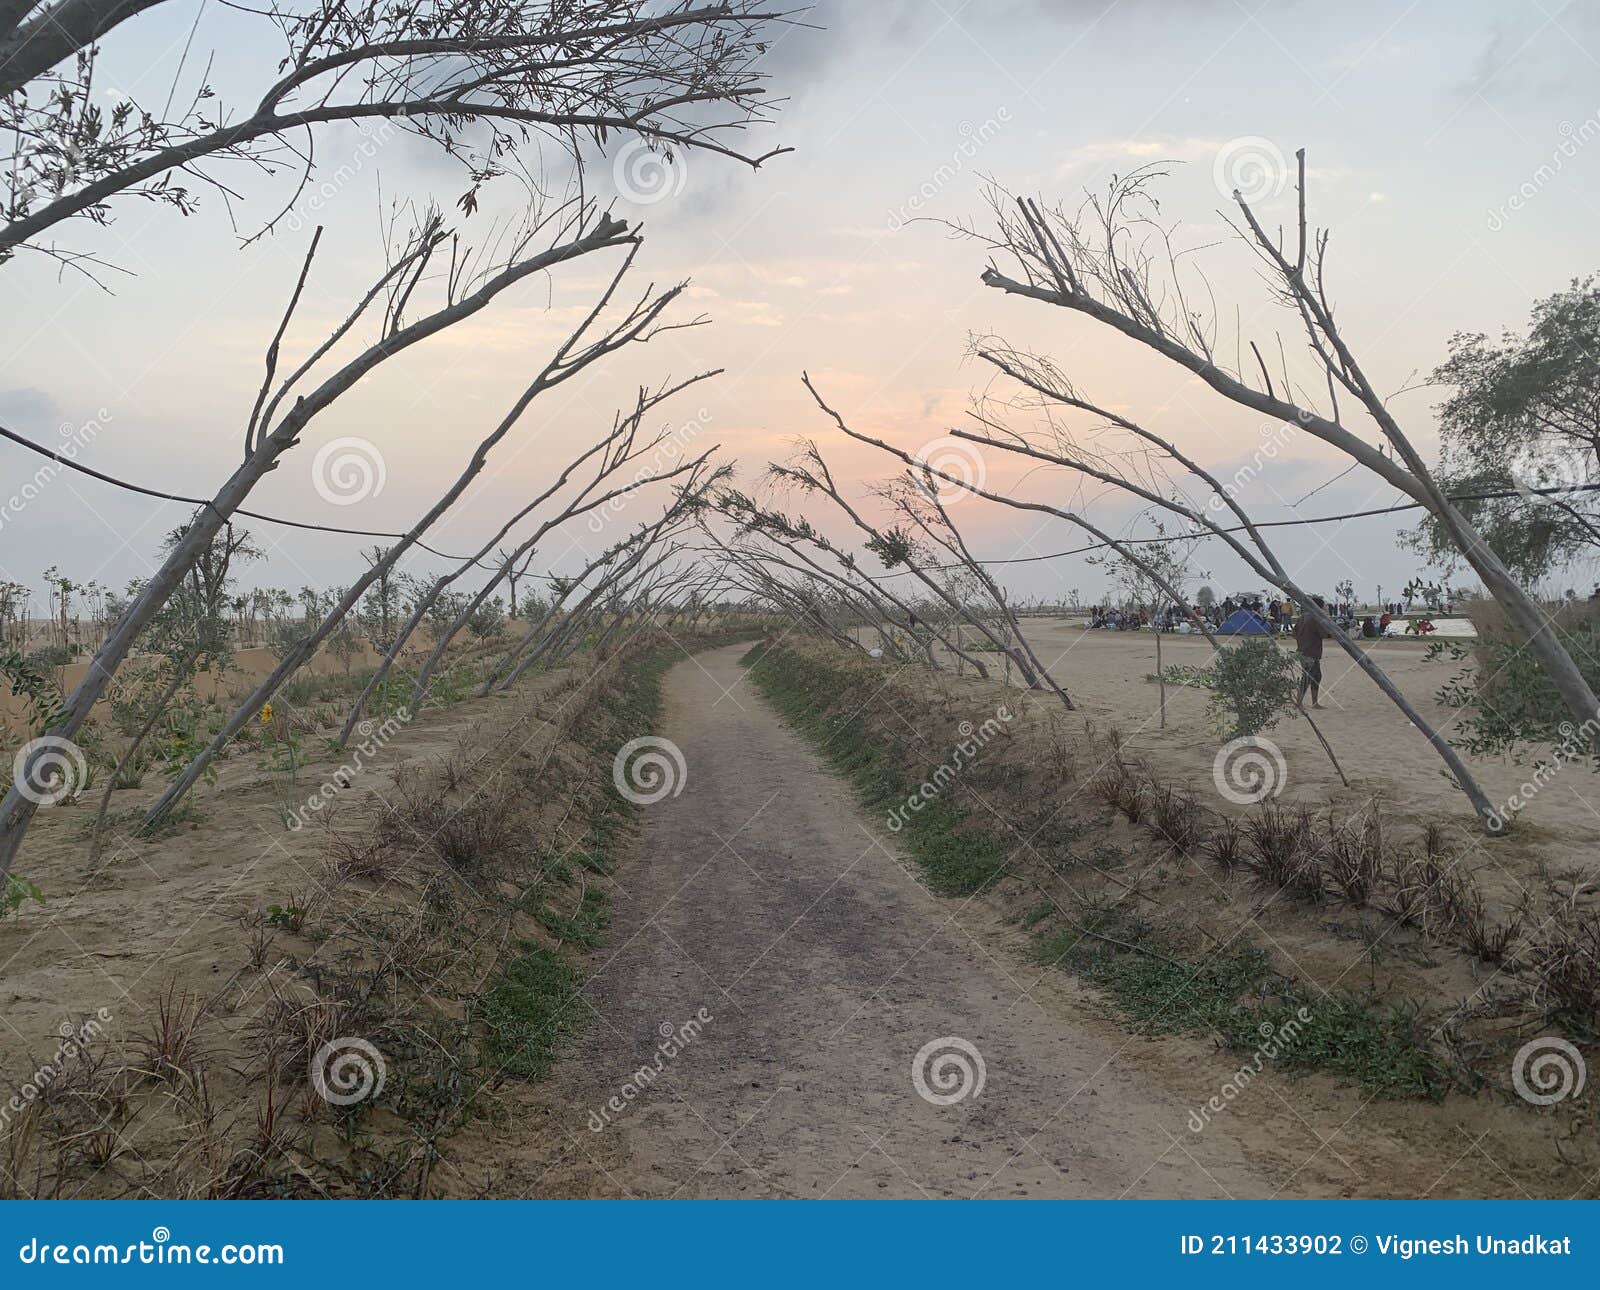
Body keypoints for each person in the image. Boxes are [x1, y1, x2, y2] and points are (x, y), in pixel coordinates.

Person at [1293, 596, 1332, 708]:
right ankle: (1300, 702)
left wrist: (1302, 640)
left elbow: (1294, 633)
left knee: (1315, 676)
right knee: (1309, 677)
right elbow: (1324, 634)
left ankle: (1313, 703)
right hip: (1311, 652)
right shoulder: (1316, 618)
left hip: (1302, 651)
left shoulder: (1303, 617)